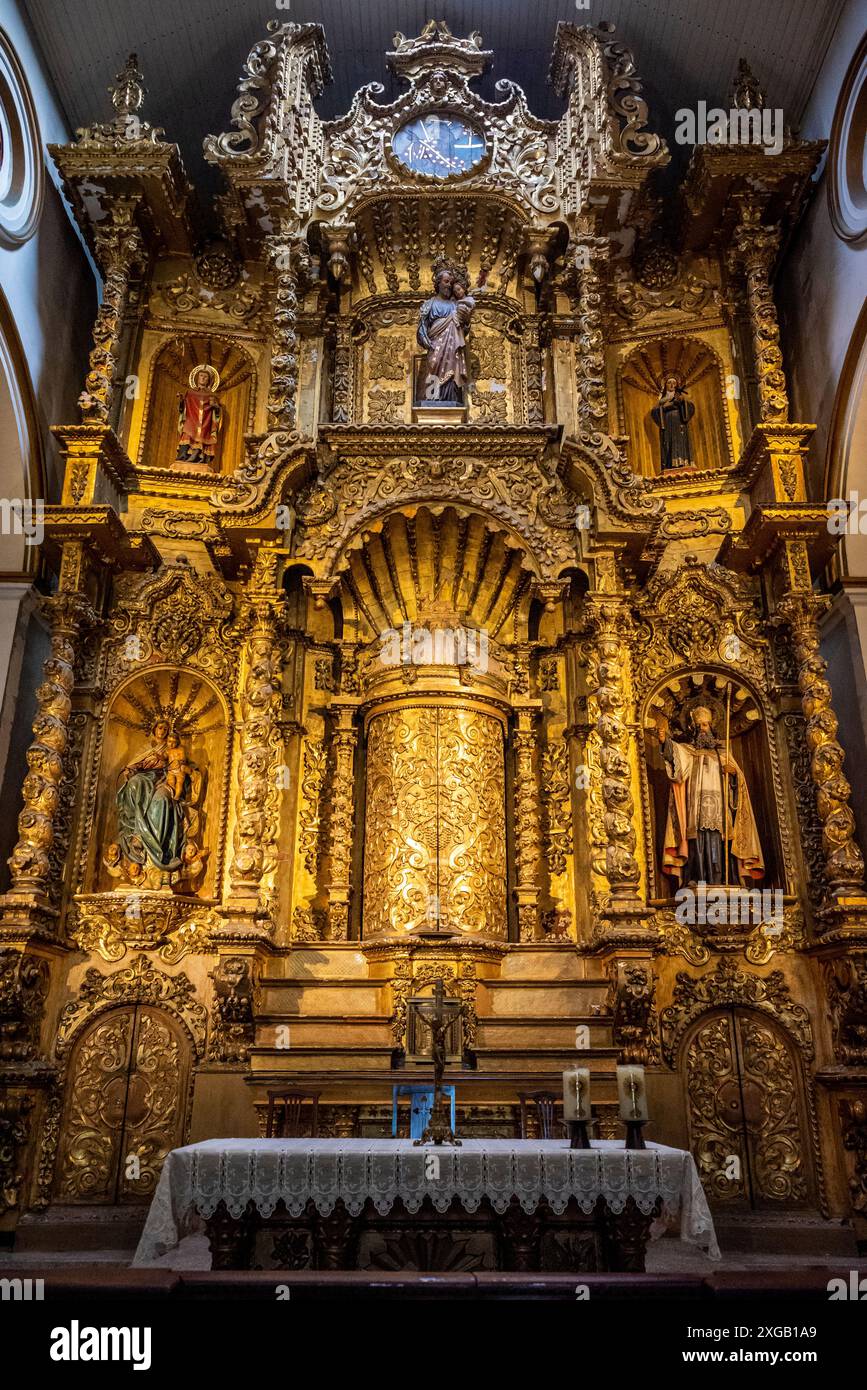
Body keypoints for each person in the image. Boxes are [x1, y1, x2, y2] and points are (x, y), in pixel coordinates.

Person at [656, 705, 764, 886]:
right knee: (697, 842)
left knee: (719, 845)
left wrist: (734, 775)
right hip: (696, 807)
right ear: (693, 728)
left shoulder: (723, 753)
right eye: (699, 726)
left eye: (706, 725)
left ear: (712, 727)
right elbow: (675, 762)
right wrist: (664, 742)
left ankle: (723, 879)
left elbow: (739, 785)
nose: (703, 729)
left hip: (720, 809)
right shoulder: (689, 752)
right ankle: (697, 879)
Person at [177, 364, 223, 467]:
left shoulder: (211, 395)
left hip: (205, 421)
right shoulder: (190, 392)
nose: (203, 378)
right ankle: (183, 455)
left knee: (201, 433)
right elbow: (183, 408)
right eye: (201, 375)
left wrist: (215, 406)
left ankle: (197, 454)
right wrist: (181, 400)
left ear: (208, 381)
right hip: (191, 418)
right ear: (197, 377)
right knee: (187, 432)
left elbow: (217, 412)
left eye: (205, 377)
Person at [651, 373, 695, 471]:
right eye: (669, 383)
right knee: (668, 442)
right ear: (665, 385)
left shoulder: (680, 396)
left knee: (680, 440)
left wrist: (683, 402)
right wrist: (664, 407)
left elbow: (690, 408)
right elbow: (654, 412)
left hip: (680, 423)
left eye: (674, 383)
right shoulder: (661, 400)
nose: (671, 385)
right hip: (667, 424)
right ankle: (670, 464)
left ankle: (683, 461)